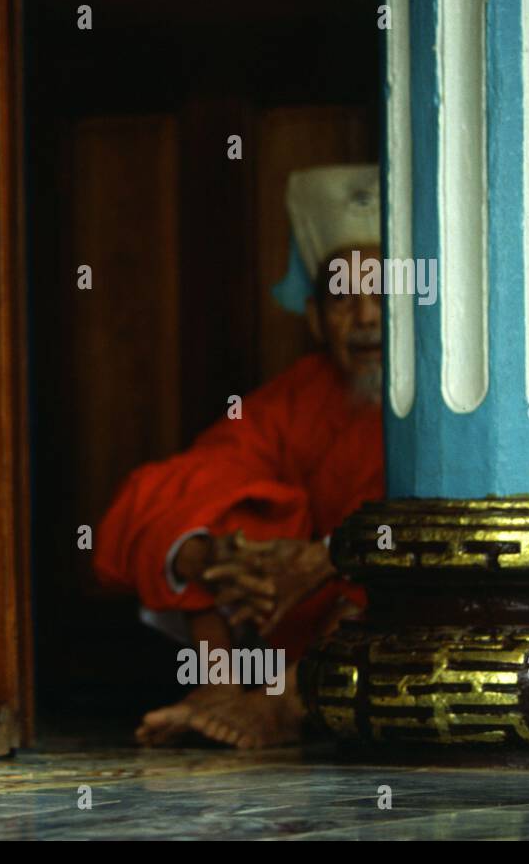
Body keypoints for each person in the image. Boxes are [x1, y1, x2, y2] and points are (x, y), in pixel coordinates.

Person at [95, 164, 385, 749]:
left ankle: (283, 706)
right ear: (313, 318)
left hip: (358, 620)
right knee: (199, 502)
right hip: (280, 619)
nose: (366, 316)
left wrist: (323, 557)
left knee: (393, 564)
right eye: (342, 297)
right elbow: (186, 481)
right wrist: (222, 555)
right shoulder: (296, 395)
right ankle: (222, 685)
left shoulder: (438, 407)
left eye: (382, 292)